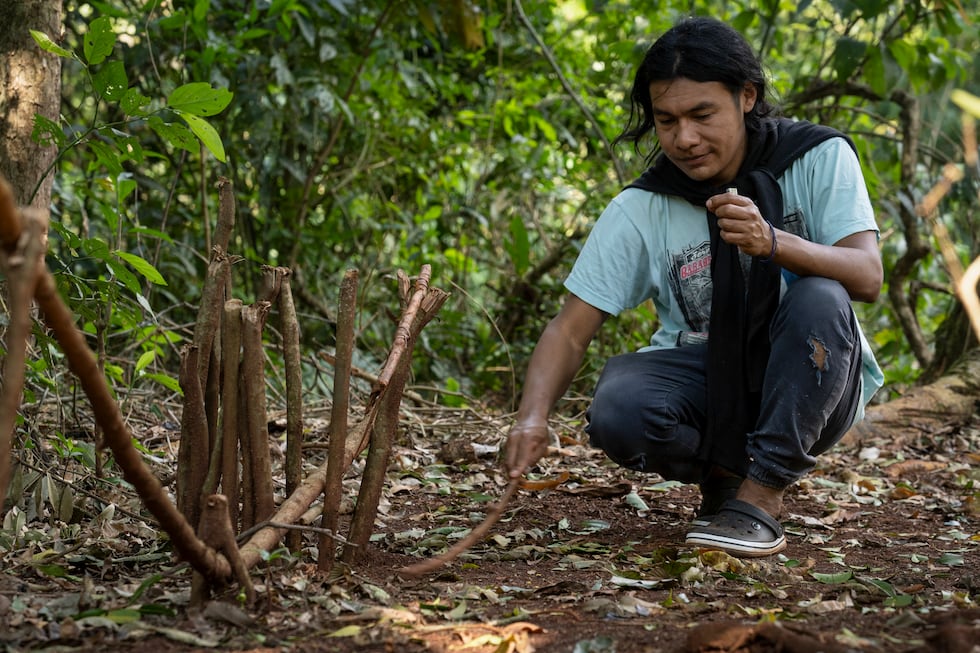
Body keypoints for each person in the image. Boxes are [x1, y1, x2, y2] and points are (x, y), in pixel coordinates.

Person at [502, 16, 883, 558]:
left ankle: (762, 493)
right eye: (666, 120)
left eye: (702, 114)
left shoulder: (817, 156)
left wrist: (773, 242)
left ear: (746, 96)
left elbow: (867, 276)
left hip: (812, 378)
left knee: (820, 297)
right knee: (620, 404)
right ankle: (725, 479)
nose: (684, 138)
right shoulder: (644, 204)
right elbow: (569, 330)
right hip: (705, 378)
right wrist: (532, 418)